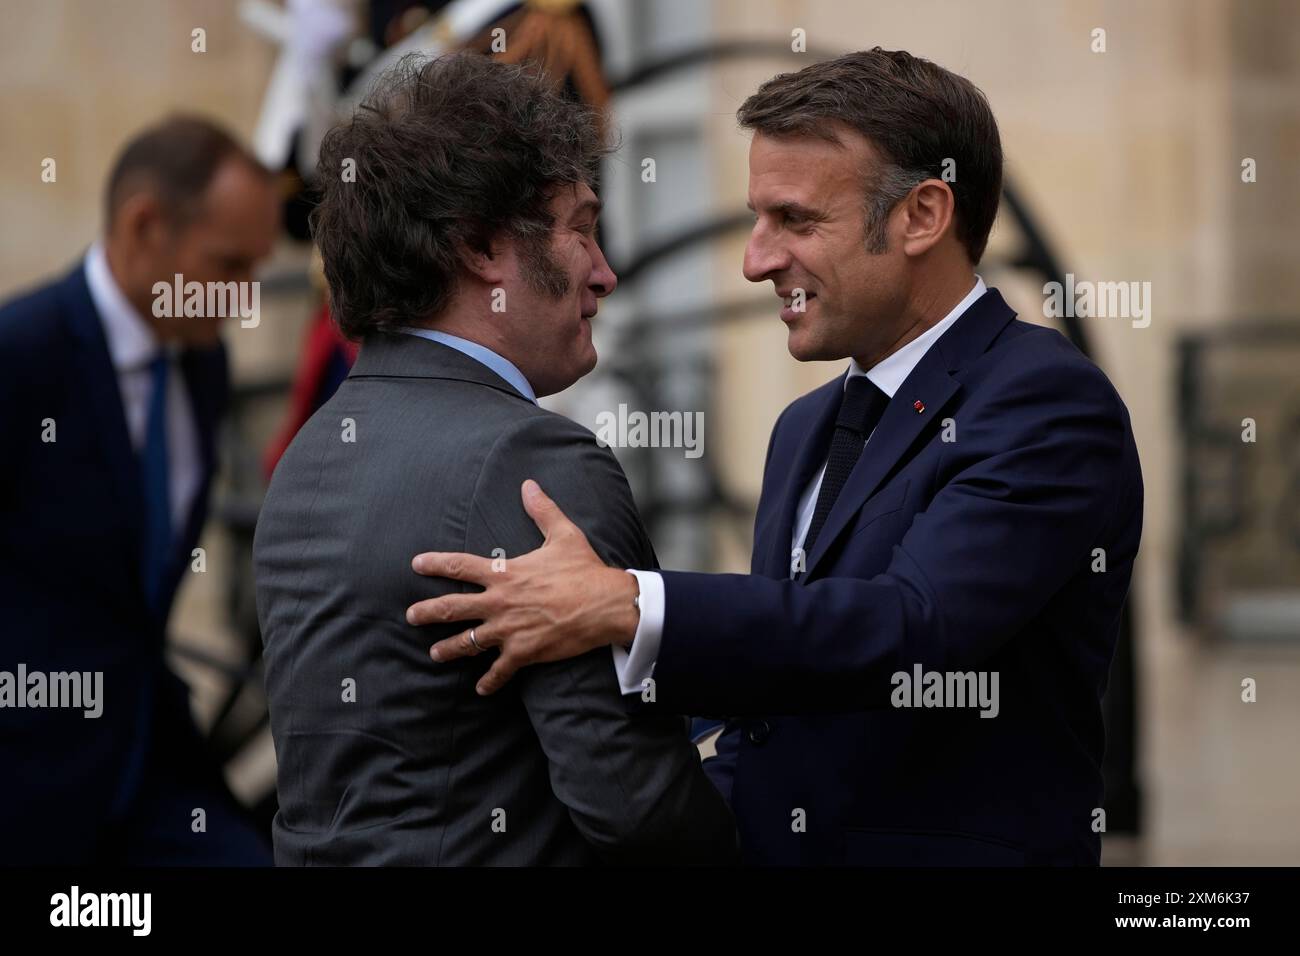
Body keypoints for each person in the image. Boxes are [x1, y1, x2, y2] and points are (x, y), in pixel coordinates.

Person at [406, 48, 1145, 866]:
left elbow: (914, 631)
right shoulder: (805, 426)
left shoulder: (1044, 400)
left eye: (795, 220)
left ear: (922, 215)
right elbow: (778, 711)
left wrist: (628, 603)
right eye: (757, 219)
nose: (756, 260)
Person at [253, 53, 737, 866]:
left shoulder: (309, 454)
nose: (605, 273)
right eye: (581, 228)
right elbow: (636, 809)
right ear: (480, 245)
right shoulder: (534, 458)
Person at [0, 115, 280, 864]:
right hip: (26, 788)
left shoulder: (203, 367)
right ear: (145, 226)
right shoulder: (20, 357)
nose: (244, 300)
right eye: (229, 267)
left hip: (152, 768)